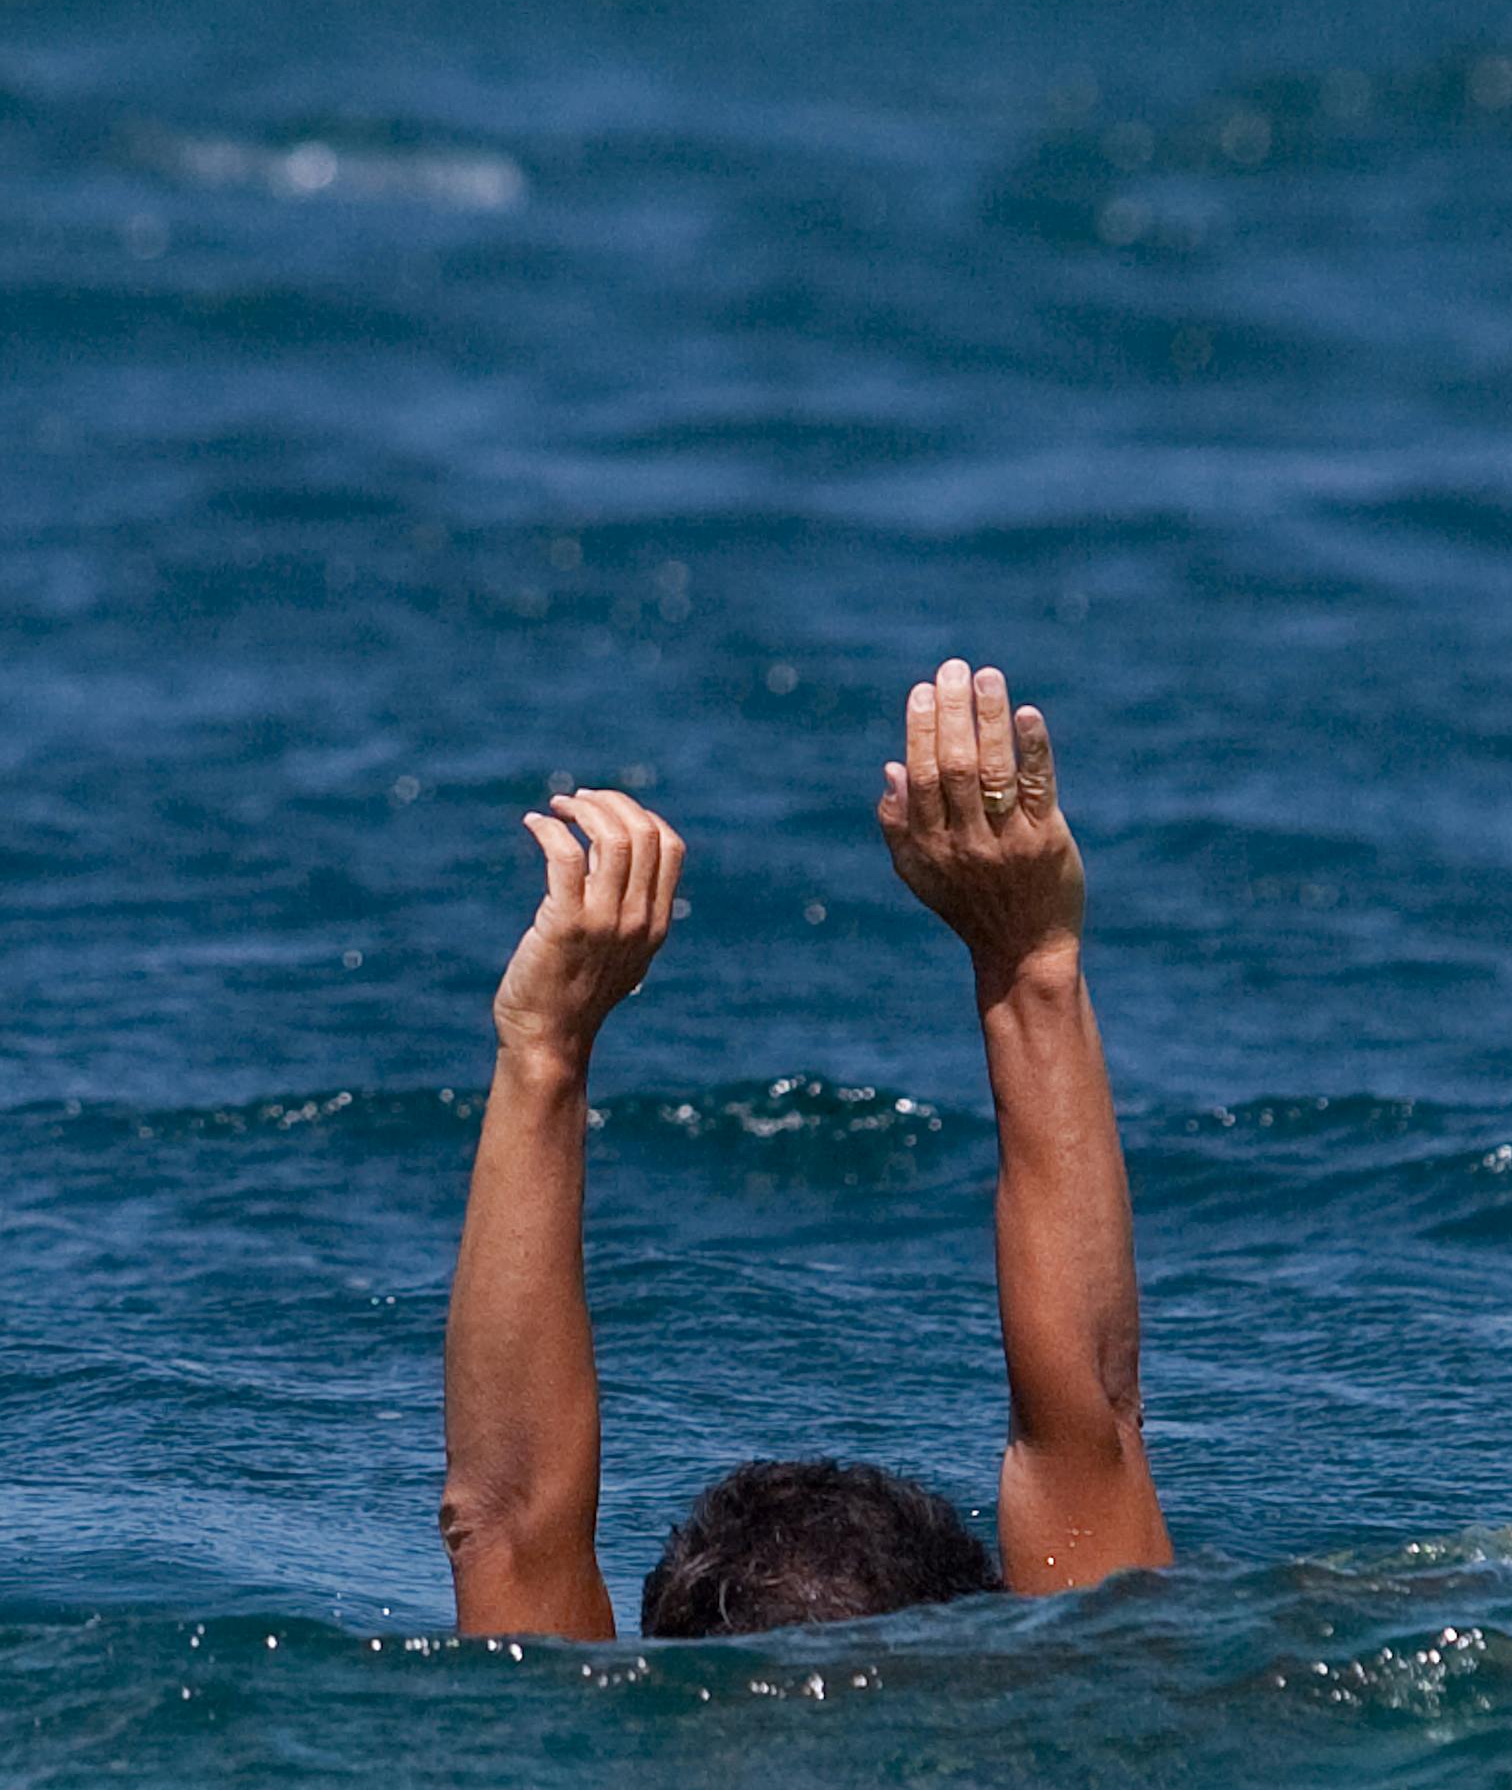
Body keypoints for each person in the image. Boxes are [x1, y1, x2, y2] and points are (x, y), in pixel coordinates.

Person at [439, 654, 1174, 1641]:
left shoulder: (585, 1769)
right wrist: (1033, 959)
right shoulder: (1079, 1699)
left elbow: (505, 1525)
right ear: (984, 1638)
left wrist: (544, 1053)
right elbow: (1098, 1429)